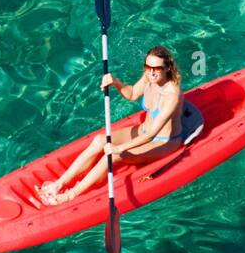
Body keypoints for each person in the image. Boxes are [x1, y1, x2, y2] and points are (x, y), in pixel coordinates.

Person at [36, 46, 184, 205]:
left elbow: (153, 133)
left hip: (163, 141)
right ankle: (59, 184)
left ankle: (70, 195)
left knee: (113, 155)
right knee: (100, 140)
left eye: (157, 68)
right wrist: (115, 82)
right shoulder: (149, 78)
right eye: (148, 67)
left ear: (167, 67)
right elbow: (132, 93)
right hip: (143, 130)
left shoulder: (172, 95)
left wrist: (119, 148)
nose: (152, 72)